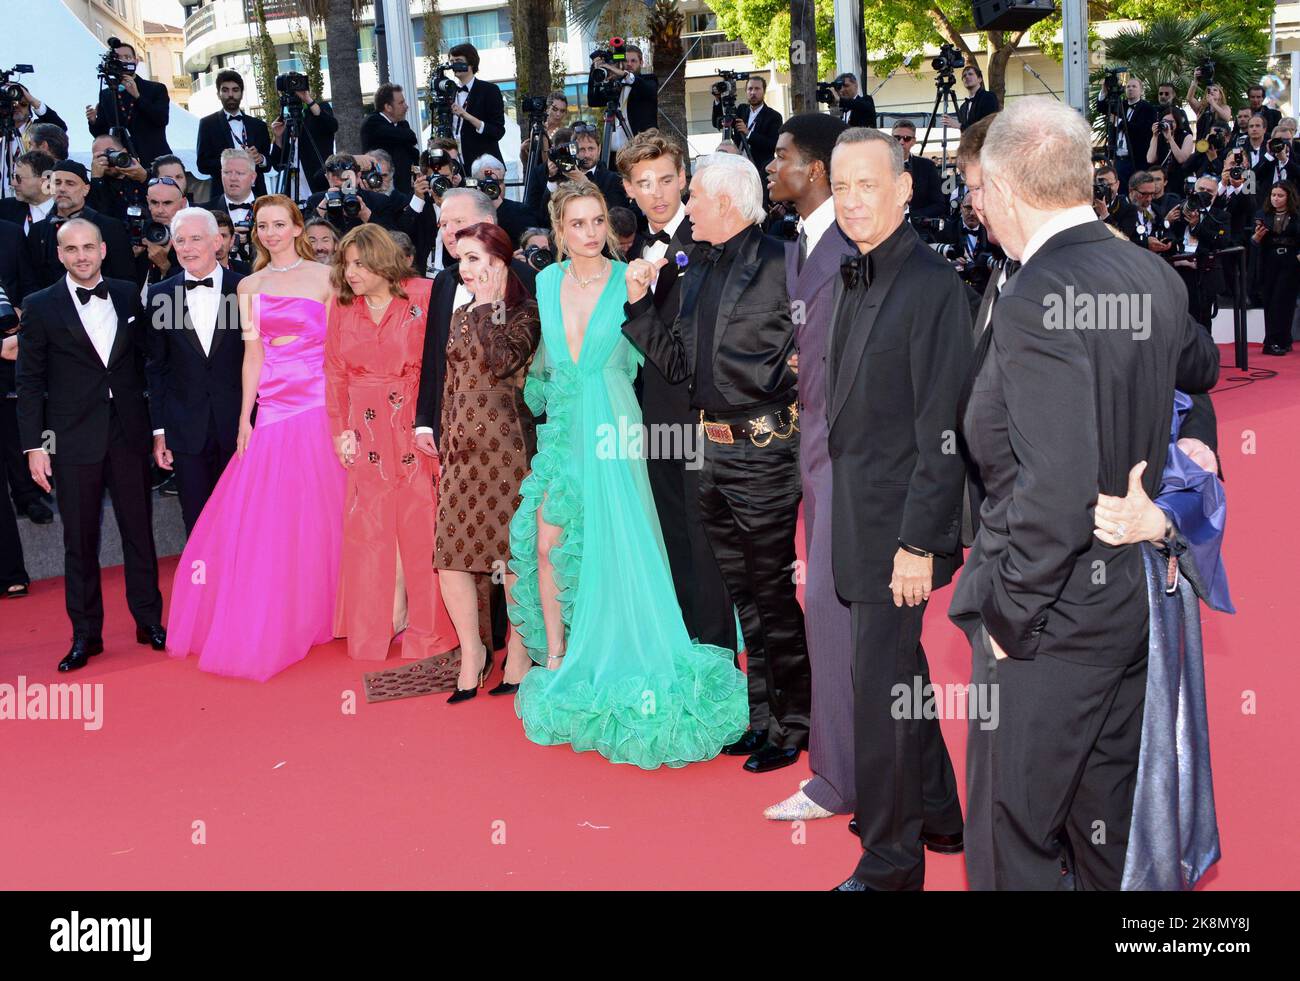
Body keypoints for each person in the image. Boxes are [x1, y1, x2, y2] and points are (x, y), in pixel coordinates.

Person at [950, 96, 1221, 891]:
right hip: (1126, 608)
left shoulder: (1036, 293)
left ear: (1002, 184)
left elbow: (1056, 489)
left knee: (1012, 841)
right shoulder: (1147, 270)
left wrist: (1008, 613)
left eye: (979, 191)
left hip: (1047, 619)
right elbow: (1199, 369)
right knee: (1109, 829)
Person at [508, 180, 747, 765]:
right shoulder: (543, 283)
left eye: (598, 223)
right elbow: (544, 358)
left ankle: (627, 649)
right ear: (559, 230)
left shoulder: (632, 279)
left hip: (615, 424)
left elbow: (666, 356)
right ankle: (560, 659)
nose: (590, 233)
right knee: (547, 542)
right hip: (564, 427)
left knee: (618, 542)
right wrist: (534, 387)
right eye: (578, 224)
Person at [623, 153, 809, 774]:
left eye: (695, 196)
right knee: (745, 597)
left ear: (726, 202)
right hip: (710, 450)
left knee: (773, 593)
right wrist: (641, 308)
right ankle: (761, 718)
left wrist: (798, 374)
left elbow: (819, 343)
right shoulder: (698, 263)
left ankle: (795, 725)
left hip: (764, 451)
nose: (688, 205)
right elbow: (677, 366)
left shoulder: (786, 259)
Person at [823, 128, 971, 891]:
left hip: (899, 529)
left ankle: (889, 863)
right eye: (841, 185)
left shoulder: (931, 284)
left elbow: (942, 430)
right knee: (899, 670)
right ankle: (942, 811)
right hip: (859, 511)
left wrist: (918, 542)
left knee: (877, 690)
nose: (852, 200)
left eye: (868, 185)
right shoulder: (857, 271)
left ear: (905, 186)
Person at [166, 195, 346, 681]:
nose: (269, 233)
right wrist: (246, 417)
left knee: (322, 511)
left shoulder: (326, 277)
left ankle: (332, 609)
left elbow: (336, 351)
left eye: (278, 224)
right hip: (274, 409)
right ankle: (285, 609)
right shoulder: (248, 285)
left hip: (317, 402)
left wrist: (339, 411)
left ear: (296, 227)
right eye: (262, 226)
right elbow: (253, 354)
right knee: (273, 515)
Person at [762, 113, 858, 821]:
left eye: (781, 156)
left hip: (852, 458)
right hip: (814, 450)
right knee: (836, 617)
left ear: (816, 169)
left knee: (832, 614)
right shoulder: (800, 242)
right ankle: (866, 779)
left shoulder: (855, 244)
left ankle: (836, 779)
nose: (772, 168)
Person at [15, 218, 166, 670]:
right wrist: (37, 447)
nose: (81, 256)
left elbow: (149, 363)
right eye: (71, 249)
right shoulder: (40, 305)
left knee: (139, 532)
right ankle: (86, 635)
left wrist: (158, 429)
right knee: (79, 541)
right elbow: (29, 383)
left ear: (102, 249)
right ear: (59, 255)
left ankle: (149, 621)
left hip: (128, 433)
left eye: (88, 247)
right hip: (71, 439)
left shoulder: (125, 293)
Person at [615, 130, 733, 653]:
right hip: (655, 416)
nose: (658, 193)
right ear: (628, 190)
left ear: (684, 178)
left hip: (701, 416)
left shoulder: (707, 245)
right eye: (645, 183)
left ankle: (716, 658)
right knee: (672, 537)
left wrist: (639, 303)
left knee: (704, 539)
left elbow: (684, 351)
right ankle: (687, 649)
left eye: (666, 179)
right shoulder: (633, 250)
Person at [324, 224, 458, 663]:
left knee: (420, 525)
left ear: (383, 261)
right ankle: (380, 623)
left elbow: (444, 361)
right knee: (372, 528)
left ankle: (426, 629)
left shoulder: (423, 295)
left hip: (415, 423)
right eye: (347, 265)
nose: (352, 274)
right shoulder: (344, 307)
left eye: (359, 264)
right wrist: (340, 430)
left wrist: (439, 423)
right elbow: (335, 373)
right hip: (365, 428)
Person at [432, 222, 540, 700]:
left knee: (511, 555)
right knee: (450, 555)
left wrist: (493, 308)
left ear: (500, 261)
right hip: (460, 451)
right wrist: (443, 439)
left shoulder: (523, 312)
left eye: (476, 258)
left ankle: (519, 650)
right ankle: (472, 651)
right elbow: (449, 384)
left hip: (507, 449)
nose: (467, 268)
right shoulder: (458, 315)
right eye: (463, 258)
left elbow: (502, 364)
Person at [143, 207, 245, 534]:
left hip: (241, 428)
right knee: (198, 522)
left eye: (196, 238)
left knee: (243, 520)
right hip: (185, 430)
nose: (187, 247)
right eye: (180, 240)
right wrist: (159, 431)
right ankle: (202, 585)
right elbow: (156, 368)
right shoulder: (161, 295)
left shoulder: (244, 289)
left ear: (218, 242)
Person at [27, 160, 133, 289]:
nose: (62, 189)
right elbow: (31, 281)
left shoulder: (109, 227)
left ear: (86, 189)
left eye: (70, 184)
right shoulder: (38, 231)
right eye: (57, 183)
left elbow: (125, 280)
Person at [86, 39, 171, 169]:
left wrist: (137, 96)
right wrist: (93, 122)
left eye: (127, 57)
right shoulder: (107, 94)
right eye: (119, 58)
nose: (123, 61)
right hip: (121, 161)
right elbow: (102, 134)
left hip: (153, 159)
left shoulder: (155, 88)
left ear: (136, 61)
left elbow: (161, 119)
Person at [196, 70, 273, 197]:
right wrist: (233, 160)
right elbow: (202, 165)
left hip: (257, 194)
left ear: (242, 93)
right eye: (225, 90)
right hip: (222, 195)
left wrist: (261, 159)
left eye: (235, 90)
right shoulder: (207, 124)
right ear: (218, 94)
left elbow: (269, 164)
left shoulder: (259, 125)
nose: (230, 94)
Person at [587, 43, 658, 163]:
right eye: (626, 61)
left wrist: (624, 74)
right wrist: (594, 70)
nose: (629, 64)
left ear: (641, 62)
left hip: (642, 149)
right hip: (617, 154)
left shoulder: (649, 80)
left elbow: (648, 89)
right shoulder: (616, 85)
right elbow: (593, 100)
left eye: (633, 61)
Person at [269, 80, 338, 200]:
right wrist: (278, 137)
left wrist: (308, 99)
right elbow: (277, 165)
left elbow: (332, 126)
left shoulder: (318, 110)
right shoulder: (286, 119)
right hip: (292, 193)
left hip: (318, 186)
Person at [1252, 180, 1300, 355]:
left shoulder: (1296, 216)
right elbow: (1255, 242)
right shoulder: (1262, 215)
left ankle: (1284, 339)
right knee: (1271, 300)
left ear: (1288, 197)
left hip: (1290, 261)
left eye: (1280, 195)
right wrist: (1256, 238)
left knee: (1285, 301)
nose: (1276, 199)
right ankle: (1271, 342)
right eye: (1273, 195)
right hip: (1269, 260)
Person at [447, 44, 507, 178]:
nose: (454, 66)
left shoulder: (489, 90)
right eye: (452, 62)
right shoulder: (448, 92)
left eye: (458, 61)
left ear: (471, 62)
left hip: (485, 167)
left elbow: (498, 131)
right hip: (456, 168)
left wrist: (467, 116)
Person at [713, 76, 782, 186]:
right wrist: (717, 99)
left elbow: (772, 145)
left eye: (757, 89)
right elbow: (716, 123)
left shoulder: (774, 116)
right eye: (750, 89)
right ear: (746, 91)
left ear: (764, 91)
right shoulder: (741, 109)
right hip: (737, 169)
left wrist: (748, 133)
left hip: (759, 170)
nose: (753, 92)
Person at [360, 83, 419, 196]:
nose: (406, 106)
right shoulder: (373, 122)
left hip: (404, 189)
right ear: (388, 107)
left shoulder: (401, 124)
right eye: (401, 103)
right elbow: (407, 137)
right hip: (381, 190)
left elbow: (412, 143)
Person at [1096, 76, 1155, 189]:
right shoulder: (1120, 105)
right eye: (1128, 86)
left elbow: (1142, 131)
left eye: (1134, 86)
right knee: (1120, 190)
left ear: (1141, 90)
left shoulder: (1147, 108)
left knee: (1137, 189)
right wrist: (1104, 89)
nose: (1130, 89)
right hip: (1119, 159)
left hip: (1136, 159)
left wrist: (1119, 122)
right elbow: (1102, 108)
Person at [133, 176, 185, 291]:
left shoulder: (192, 238)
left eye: (167, 203)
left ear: (182, 204)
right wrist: (132, 257)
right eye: (154, 202)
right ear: (148, 202)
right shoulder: (137, 231)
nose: (160, 210)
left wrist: (165, 266)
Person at [892, 119, 946, 219]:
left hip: (917, 228)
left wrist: (912, 216)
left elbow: (939, 204)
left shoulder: (927, 166)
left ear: (913, 141)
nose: (901, 142)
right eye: (897, 138)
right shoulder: (879, 165)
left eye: (906, 138)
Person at [0, 150, 56, 234]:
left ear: (44, 181)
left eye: (19, 178)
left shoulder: (65, 212)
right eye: (13, 176)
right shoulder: (4, 209)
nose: (13, 183)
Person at [942, 63, 999, 132]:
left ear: (980, 79)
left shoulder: (988, 97)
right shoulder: (963, 107)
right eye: (964, 76)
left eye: (970, 74)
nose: (967, 77)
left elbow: (988, 125)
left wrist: (959, 125)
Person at [1186, 76, 1233, 141]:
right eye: (1209, 90)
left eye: (1215, 90)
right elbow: (1189, 98)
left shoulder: (1224, 107)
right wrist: (1195, 80)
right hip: (1201, 144)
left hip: (1217, 145)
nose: (1211, 91)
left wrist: (1213, 103)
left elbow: (1227, 117)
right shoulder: (1202, 108)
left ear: (1220, 95)